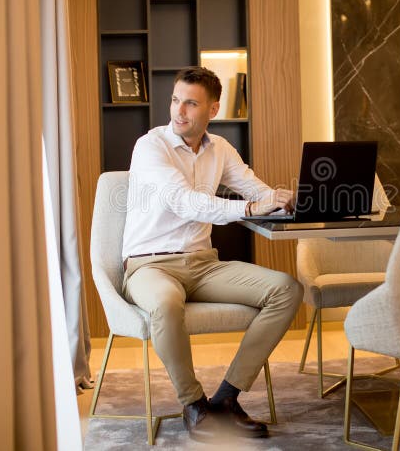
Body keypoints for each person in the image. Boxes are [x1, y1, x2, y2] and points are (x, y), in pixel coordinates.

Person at [121, 66, 304, 441]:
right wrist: (251, 209)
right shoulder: (150, 146)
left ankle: (225, 400)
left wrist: (283, 200)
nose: (179, 111)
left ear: (213, 109)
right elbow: (185, 203)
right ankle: (193, 406)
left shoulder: (220, 148)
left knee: (286, 289)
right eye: (175, 100)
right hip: (150, 265)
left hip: (203, 265)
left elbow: (255, 191)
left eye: (190, 103)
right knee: (166, 304)